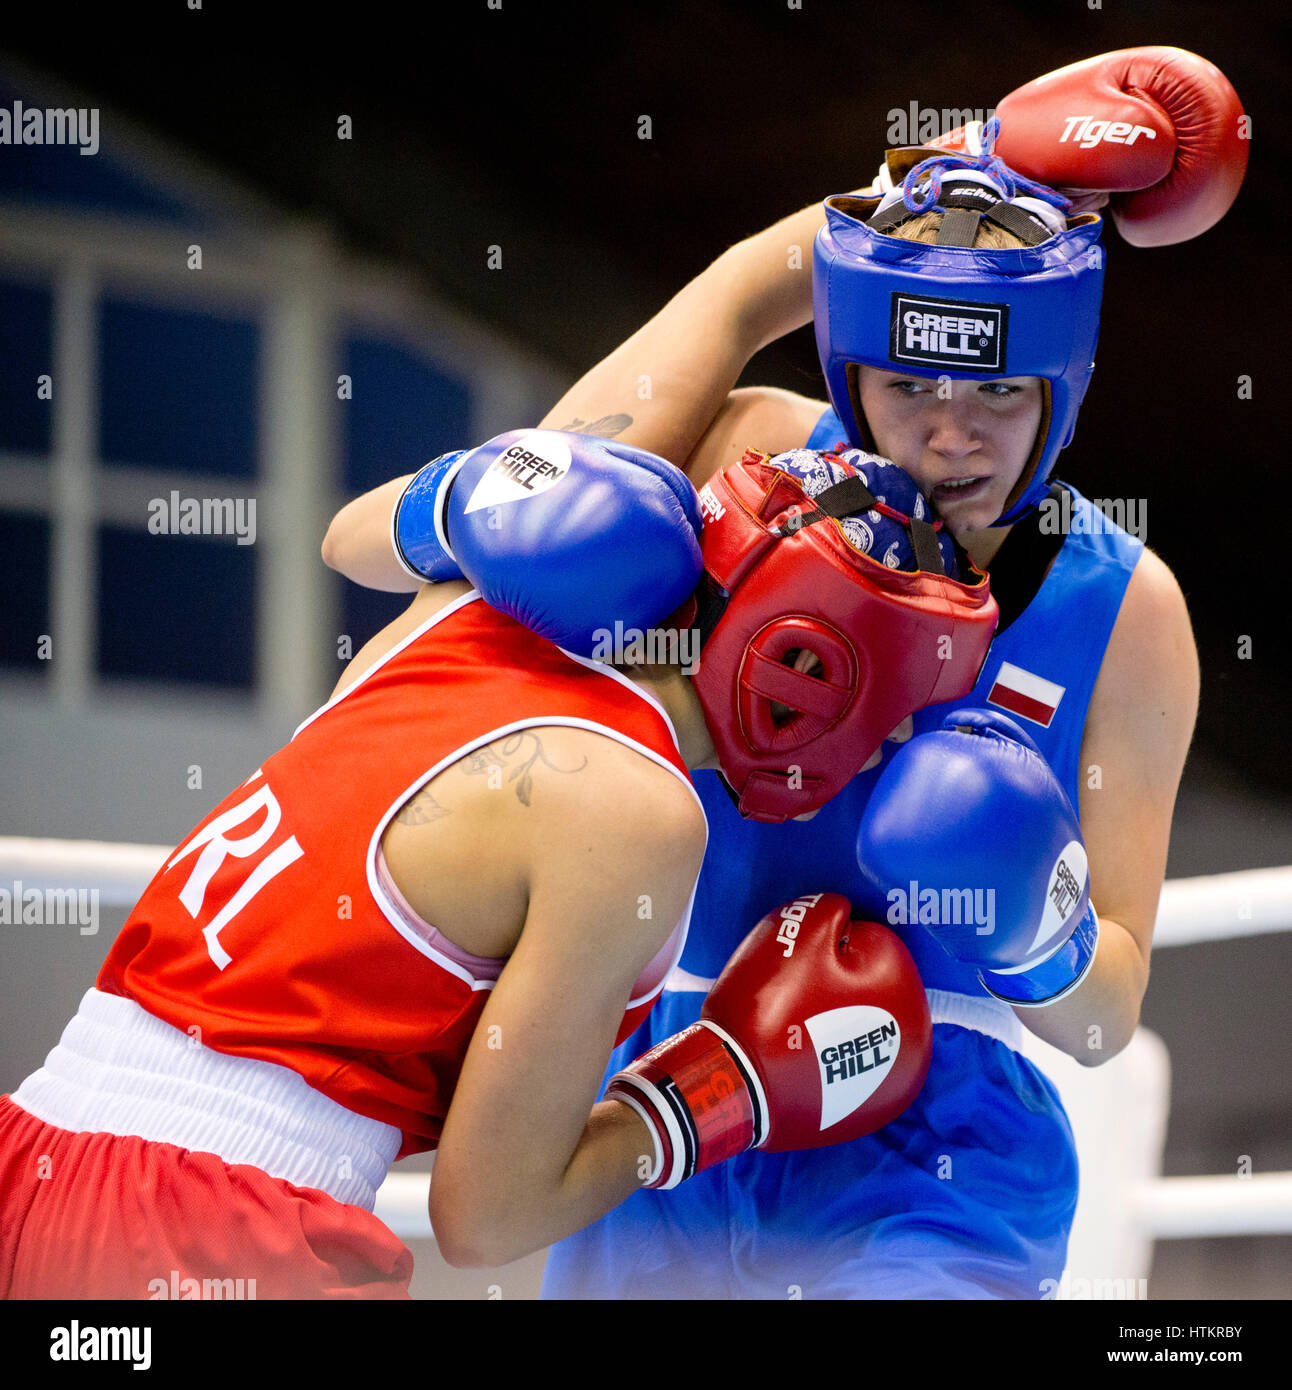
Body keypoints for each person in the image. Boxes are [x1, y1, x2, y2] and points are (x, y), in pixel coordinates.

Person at [322, 47, 1243, 1297]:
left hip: (946, 1149)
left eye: (994, 392)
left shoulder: (1124, 607)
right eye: (907, 380)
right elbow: (475, 517)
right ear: (846, 366)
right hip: (675, 1084)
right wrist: (848, 227)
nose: (948, 432)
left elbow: (1101, 1021)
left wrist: (1034, 915)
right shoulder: (749, 458)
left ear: (1061, 390)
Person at [0, 431, 968, 1300]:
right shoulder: (635, 814)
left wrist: (773, 274)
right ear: (808, 674)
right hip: (216, 1235)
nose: (885, 754)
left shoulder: (452, 612)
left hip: (30, 1158)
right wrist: (726, 1084)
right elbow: (486, 1216)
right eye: (890, 717)